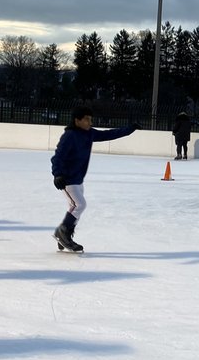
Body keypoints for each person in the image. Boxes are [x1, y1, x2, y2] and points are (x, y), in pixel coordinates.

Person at [51, 106, 137, 252]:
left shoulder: (89, 133)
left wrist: (129, 129)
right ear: (77, 120)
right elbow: (57, 157)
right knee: (79, 205)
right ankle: (62, 233)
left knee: (74, 208)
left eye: (91, 119)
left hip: (78, 179)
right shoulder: (70, 136)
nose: (90, 122)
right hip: (67, 179)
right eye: (86, 119)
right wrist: (57, 174)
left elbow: (109, 134)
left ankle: (65, 236)